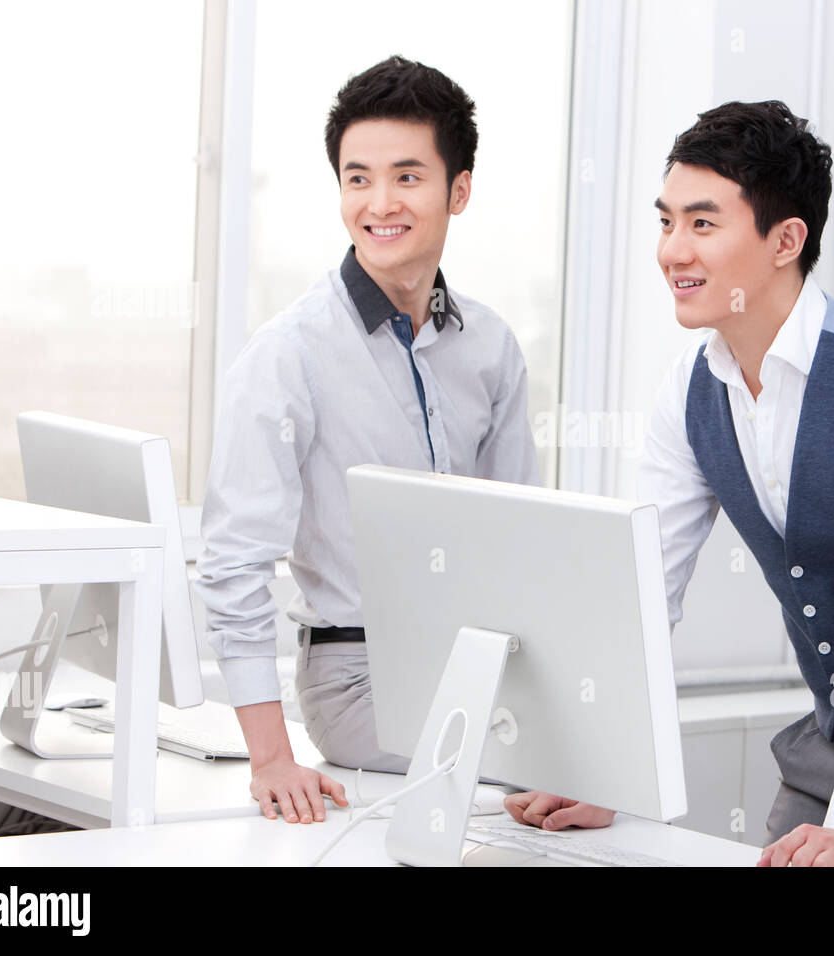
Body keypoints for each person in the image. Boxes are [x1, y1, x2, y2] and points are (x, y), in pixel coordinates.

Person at [504, 101, 834, 866]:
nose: (671, 250)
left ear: (785, 240)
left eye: (702, 224)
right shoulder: (691, 387)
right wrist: (603, 769)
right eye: (665, 222)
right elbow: (642, 586)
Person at [196, 56, 539, 825]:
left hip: (481, 667)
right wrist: (271, 758)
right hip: (355, 675)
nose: (379, 203)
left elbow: (525, 539)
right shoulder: (289, 353)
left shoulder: (491, 347)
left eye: (407, 178)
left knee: (593, 771)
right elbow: (231, 565)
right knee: (543, 772)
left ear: (459, 190)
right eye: (358, 179)